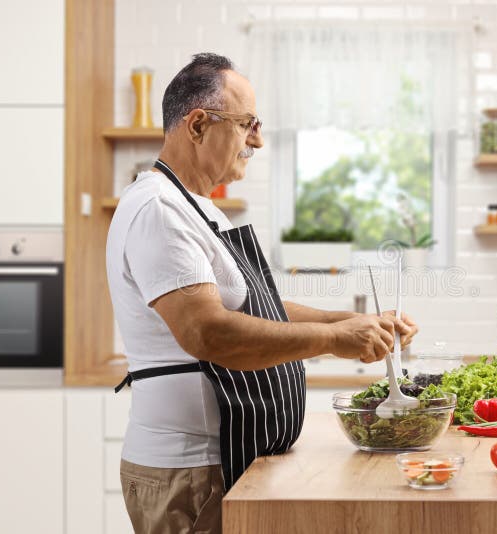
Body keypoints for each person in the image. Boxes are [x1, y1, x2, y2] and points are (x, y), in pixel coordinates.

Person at [106, 52, 418, 534]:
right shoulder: (158, 209)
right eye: (247, 123)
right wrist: (334, 341)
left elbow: (257, 308)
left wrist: (346, 323)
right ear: (197, 125)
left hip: (221, 465)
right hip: (190, 474)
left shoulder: (196, 207)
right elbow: (208, 332)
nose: (257, 139)